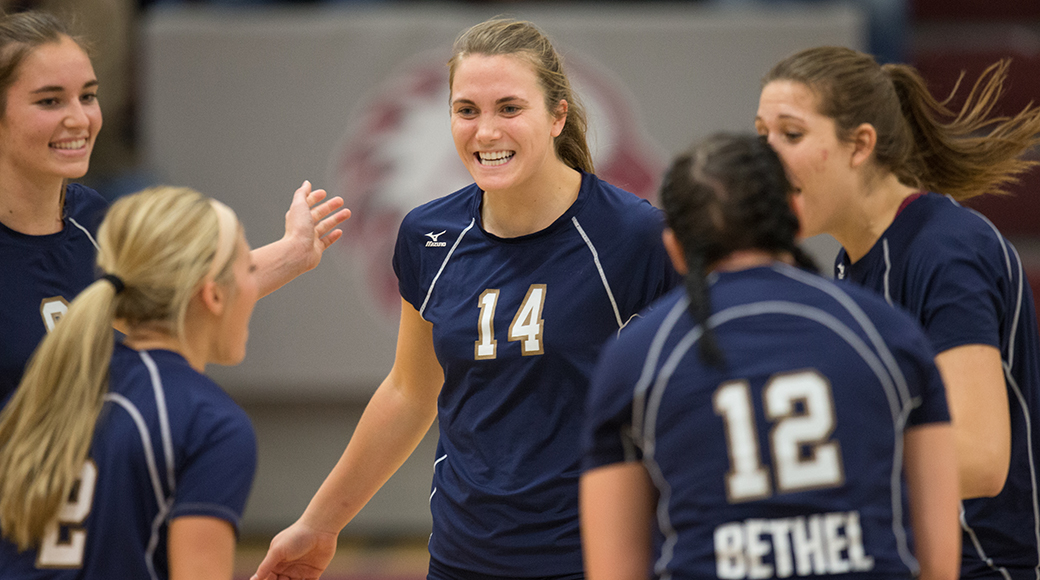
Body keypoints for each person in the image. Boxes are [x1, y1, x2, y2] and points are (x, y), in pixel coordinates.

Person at [252, 17, 679, 580]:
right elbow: (409, 393)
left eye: (509, 108)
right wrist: (319, 523)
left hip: (593, 559)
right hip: (462, 558)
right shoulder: (428, 235)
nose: (485, 132)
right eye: (466, 110)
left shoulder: (635, 236)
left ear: (557, 116)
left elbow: (689, 397)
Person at [580, 133, 960, 580]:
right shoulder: (888, 333)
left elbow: (614, 569)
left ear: (675, 249)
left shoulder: (636, 357)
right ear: (795, 217)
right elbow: (938, 561)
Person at [755, 46, 1040, 578]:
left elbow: (980, 459)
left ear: (861, 144)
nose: (765, 158)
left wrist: (801, 468)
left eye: (790, 135)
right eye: (761, 134)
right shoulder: (850, 264)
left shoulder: (946, 250)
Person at [0, 10, 349, 407]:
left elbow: (177, 301)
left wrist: (295, 252)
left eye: (88, 96)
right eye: (49, 101)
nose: (79, 119)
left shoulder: (94, 220)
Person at [0, 186, 260, 579]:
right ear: (214, 295)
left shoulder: (40, 392)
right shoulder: (209, 423)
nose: (256, 283)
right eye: (250, 269)